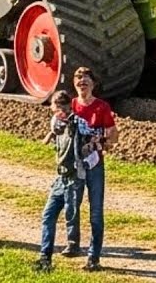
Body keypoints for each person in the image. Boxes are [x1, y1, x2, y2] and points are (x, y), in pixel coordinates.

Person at [63, 66, 116, 271]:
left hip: (95, 165)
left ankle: (94, 256)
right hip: (74, 165)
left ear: (93, 84)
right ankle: (73, 243)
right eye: (78, 79)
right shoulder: (70, 105)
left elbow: (113, 133)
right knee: (72, 205)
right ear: (74, 84)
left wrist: (105, 142)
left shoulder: (101, 107)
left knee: (95, 211)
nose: (82, 82)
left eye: (86, 79)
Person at [35, 90, 92, 272]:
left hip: (75, 177)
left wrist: (81, 137)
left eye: (59, 109)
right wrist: (54, 131)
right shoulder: (56, 123)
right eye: (55, 110)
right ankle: (45, 256)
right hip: (60, 177)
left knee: (71, 214)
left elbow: (89, 144)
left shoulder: (79, 123)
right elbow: (51, 139)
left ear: (66, 107)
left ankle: (73, 244)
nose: (56, 113)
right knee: (48, 215)